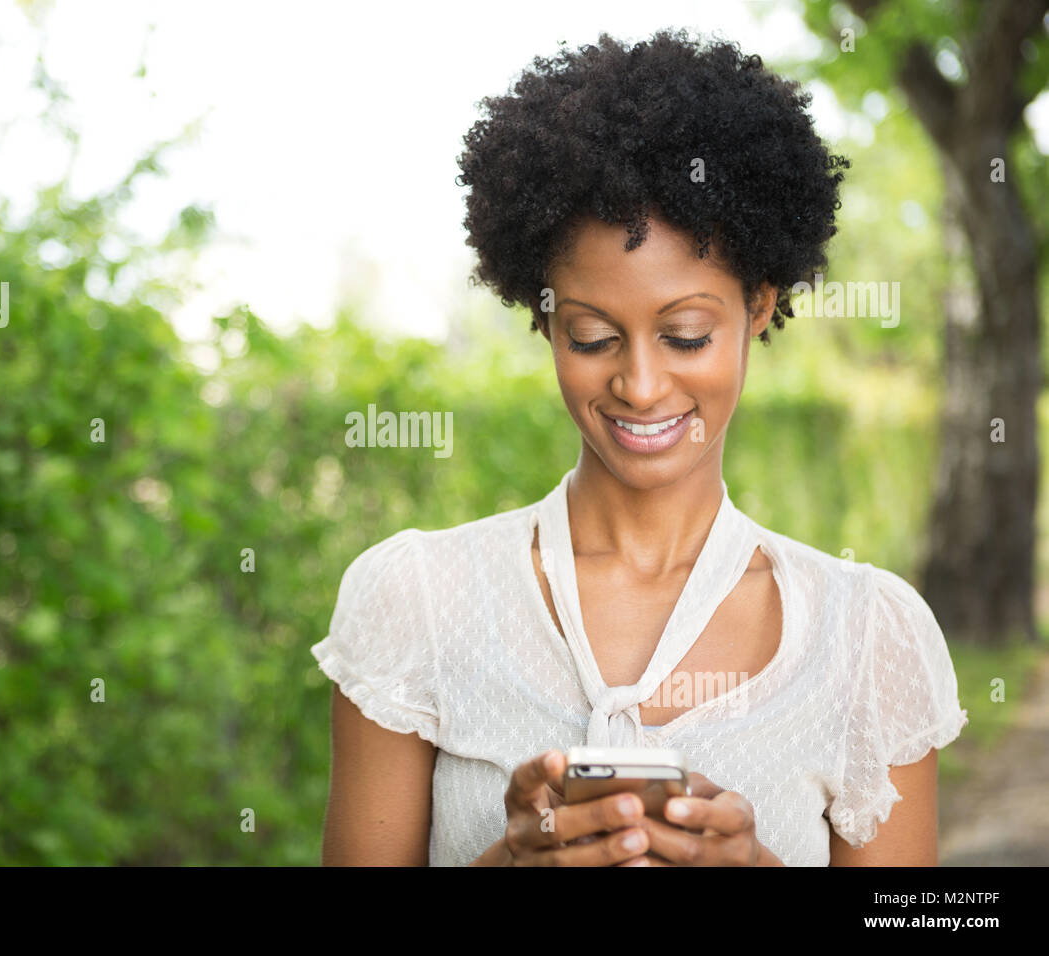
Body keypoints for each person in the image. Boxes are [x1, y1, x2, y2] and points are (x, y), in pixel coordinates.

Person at [311, 29, 967, 866]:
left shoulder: (870, 638)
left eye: (687, 335)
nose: (643, 386)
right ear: (544, 317)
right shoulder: (415, 603)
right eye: (592, 337)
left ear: (759, 307)